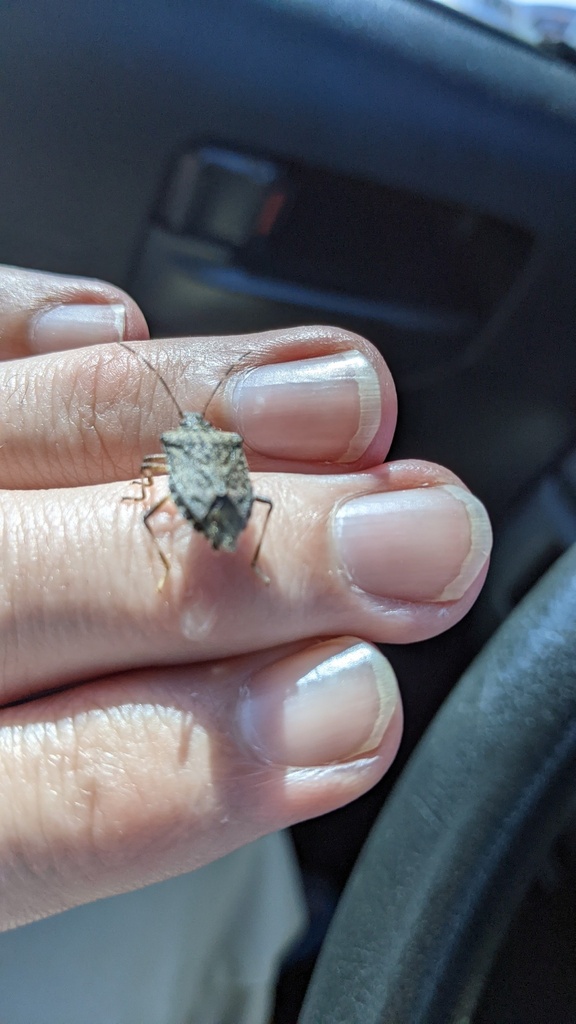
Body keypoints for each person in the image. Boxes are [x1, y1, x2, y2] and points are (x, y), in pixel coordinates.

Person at [0, 265, 492, 1021]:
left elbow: (164, 483)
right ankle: (296, 926)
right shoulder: (210, 451)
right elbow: (214, 491)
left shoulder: (180, 452)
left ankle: (292, 927)